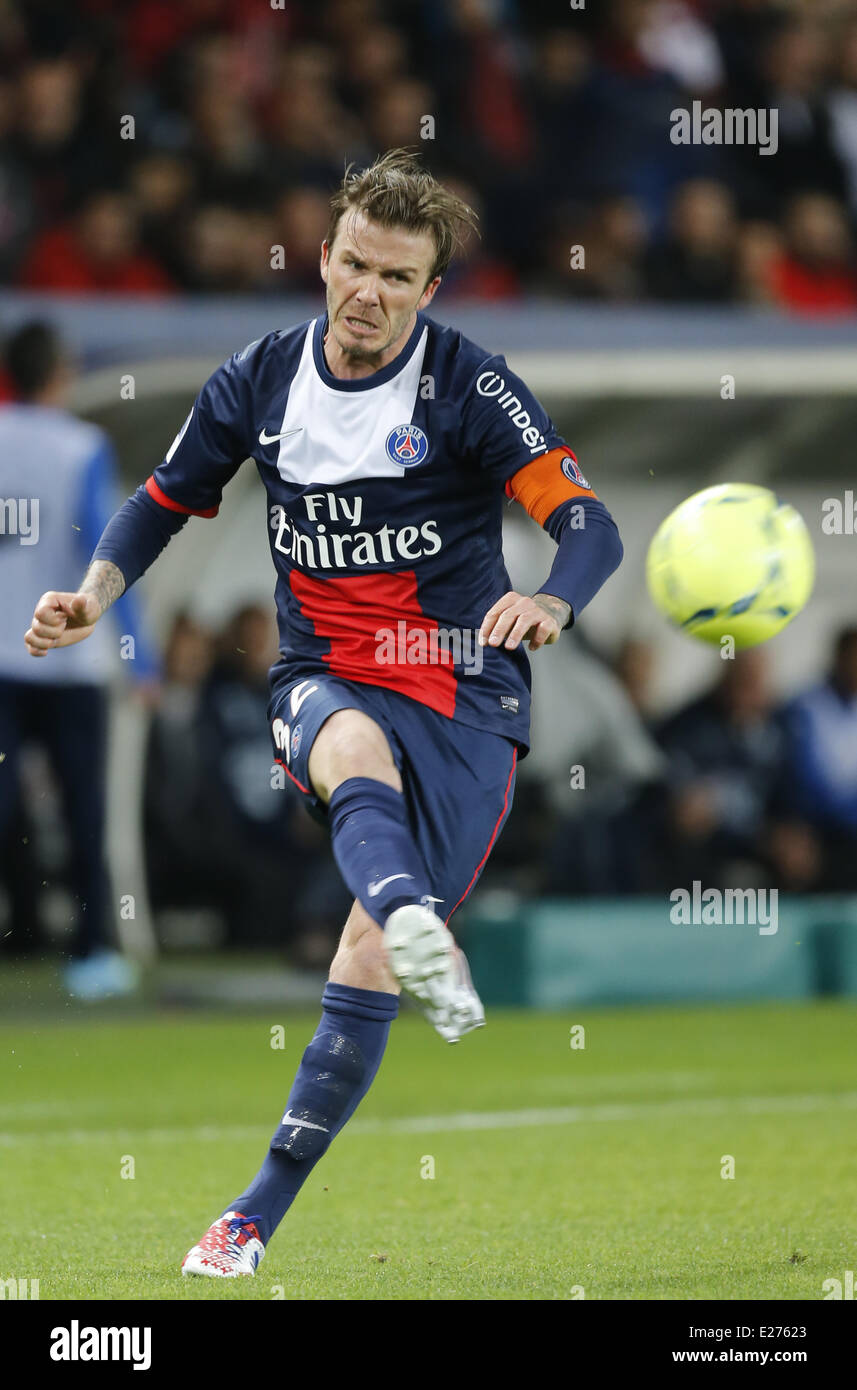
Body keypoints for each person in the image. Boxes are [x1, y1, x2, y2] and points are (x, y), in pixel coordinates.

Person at [24, 149, 623, 1277]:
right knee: (344, 746)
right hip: (326, 670)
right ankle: (408, 915)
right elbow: (160, 505)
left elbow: (586, 522)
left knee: (360, 953)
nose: (367, 294)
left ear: (429, 290)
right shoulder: (258, 379)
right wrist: (89, 596)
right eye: (354, 264)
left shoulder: (469, 385)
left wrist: (549, 597)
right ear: (323, 256)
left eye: (397, 278)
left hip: (458, 687)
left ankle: (259, 1210)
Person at [0, 321, 157, 997]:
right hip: (69, 659)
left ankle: (23, 932)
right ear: (59, 373)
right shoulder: (80, 445)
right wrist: (140, 657)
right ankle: (90, 954)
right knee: (84, 811)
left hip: (2, 657)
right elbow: (104, 548)